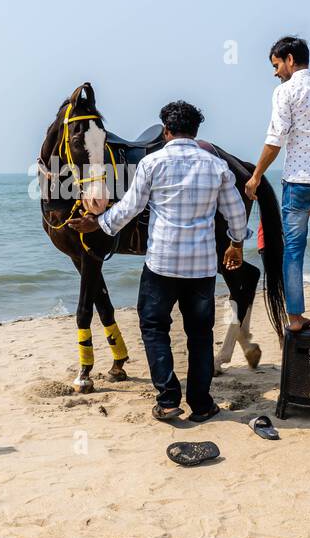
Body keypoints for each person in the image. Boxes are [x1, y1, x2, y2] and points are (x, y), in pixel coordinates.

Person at [68, 100, 247, 423]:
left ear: (165, 131)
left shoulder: (152, 164)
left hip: (162, 264)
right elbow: (235, 212)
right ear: (195, 132)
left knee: (154, 328)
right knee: (200, 335)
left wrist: (99, 224)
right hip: (202, 268)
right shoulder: (215, 166)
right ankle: (202, 404)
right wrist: (236, 243)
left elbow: (131, 208)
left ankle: (167, 401)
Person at [244, 36, 310, 332]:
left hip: (300, 182)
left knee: (293, 250)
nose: (276, 73)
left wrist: (256, 176)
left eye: (276, 65)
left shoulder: (286, 92)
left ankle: (295, 318)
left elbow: (275, 140)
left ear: (290, 59)